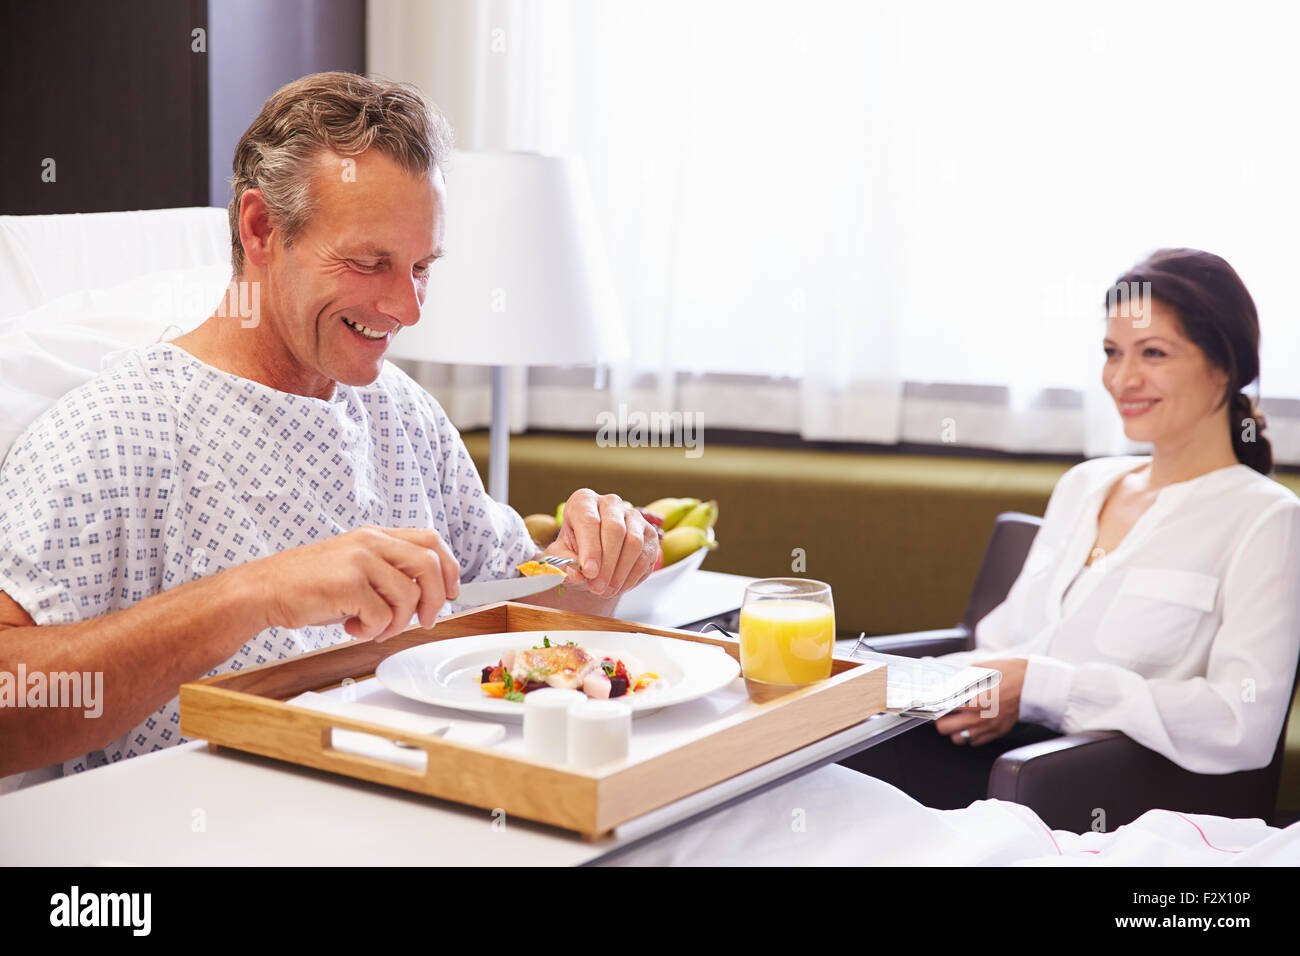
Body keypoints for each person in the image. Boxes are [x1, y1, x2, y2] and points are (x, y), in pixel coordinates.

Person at [0, 73, 659, 789]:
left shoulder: (402, 413)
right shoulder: (113, 435)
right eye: (369, 262)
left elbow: (516, 614)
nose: (406, 308)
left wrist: (593, 566)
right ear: (260, 229)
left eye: (420, 268)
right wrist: (252, 594)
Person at [840, 248, 1300, 809]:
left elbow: (1241, 723)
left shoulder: (1267, 519)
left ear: (1224, 367)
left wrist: (1039, 687)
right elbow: (1002, 646)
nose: (1123, 378)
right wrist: (874, 679)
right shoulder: (1084, 486)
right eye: (1112, 353)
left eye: (1153, 352)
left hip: (1093, 801)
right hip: (971, 766)